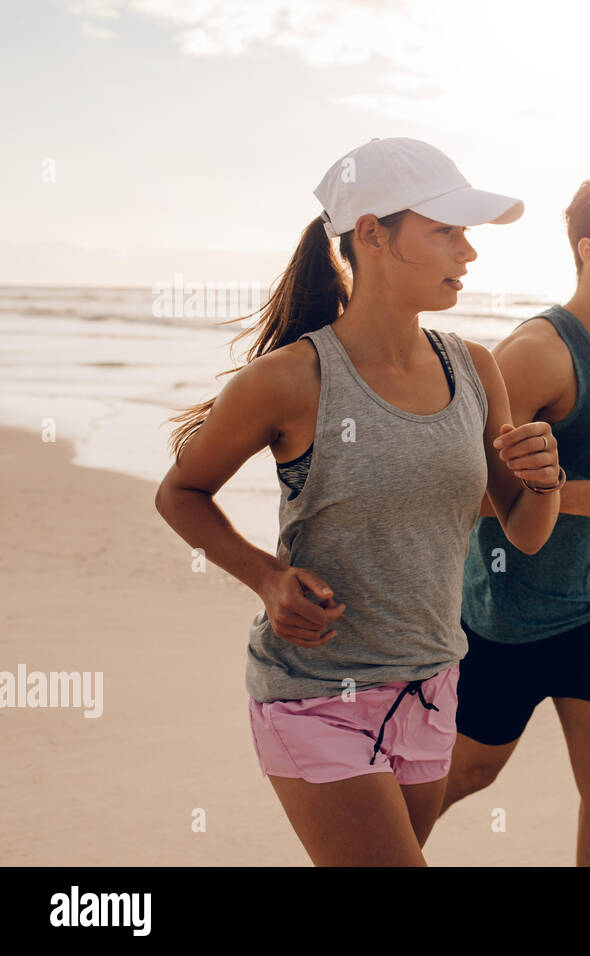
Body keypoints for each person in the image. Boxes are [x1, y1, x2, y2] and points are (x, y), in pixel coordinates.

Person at [154, 137, 564, 866]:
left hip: (434, 685)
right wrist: (267, 576)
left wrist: (543, 481)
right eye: (445, 230)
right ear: (372, 233)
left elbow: (526, 533)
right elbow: (180, 492)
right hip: (314, 695)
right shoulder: (291, 380)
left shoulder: (474, 368)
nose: (467, 252)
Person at [436, 170, 590, 866]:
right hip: (505, 618)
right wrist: (585, 498)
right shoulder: (538, 352)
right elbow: (462, 482)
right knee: (466, 775)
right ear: (589, 252)